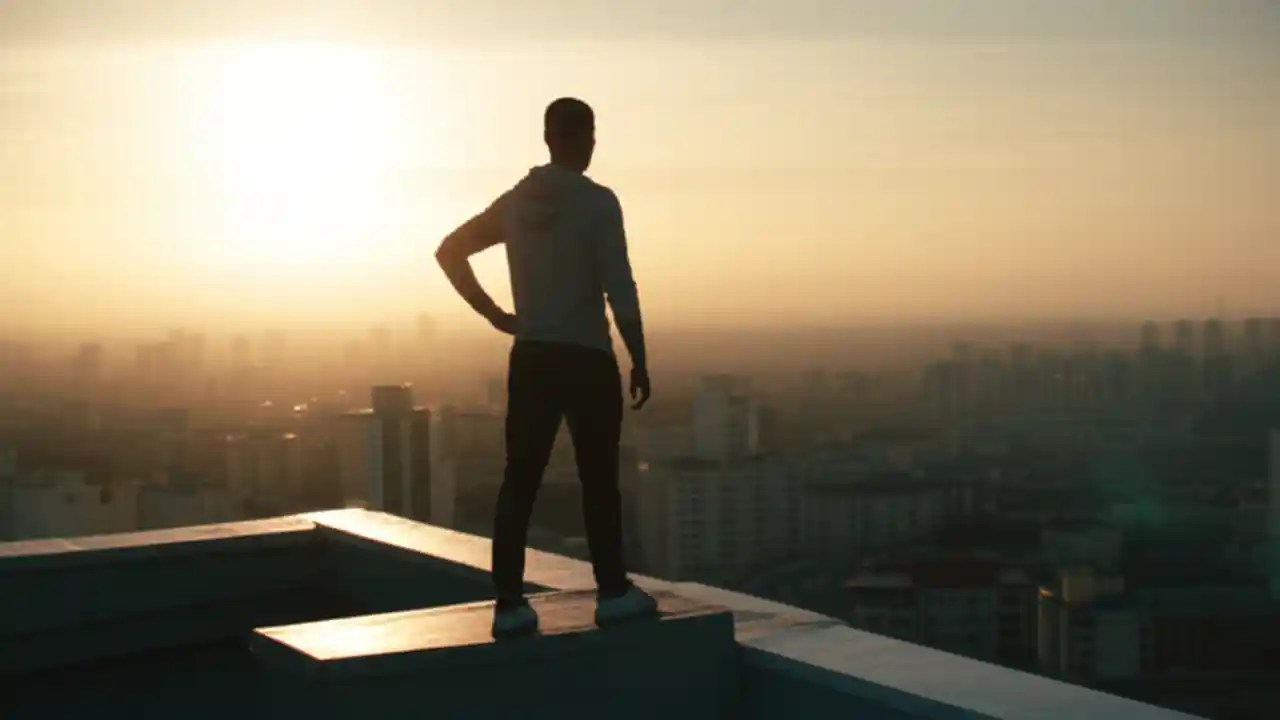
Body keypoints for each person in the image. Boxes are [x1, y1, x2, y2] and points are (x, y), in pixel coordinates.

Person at [436, 97, 658, 637]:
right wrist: (639, 356)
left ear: (545, 139)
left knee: (520, 479)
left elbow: (449, 251)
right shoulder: (598, 203)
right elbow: (619, 287)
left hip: (532, 357)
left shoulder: (515, 204)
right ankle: (612, 593)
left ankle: (509, 604)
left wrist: (495, 315)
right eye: (591, 133)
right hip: (586, 358)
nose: (592, 143)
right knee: (599, 480)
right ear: (581, 139)